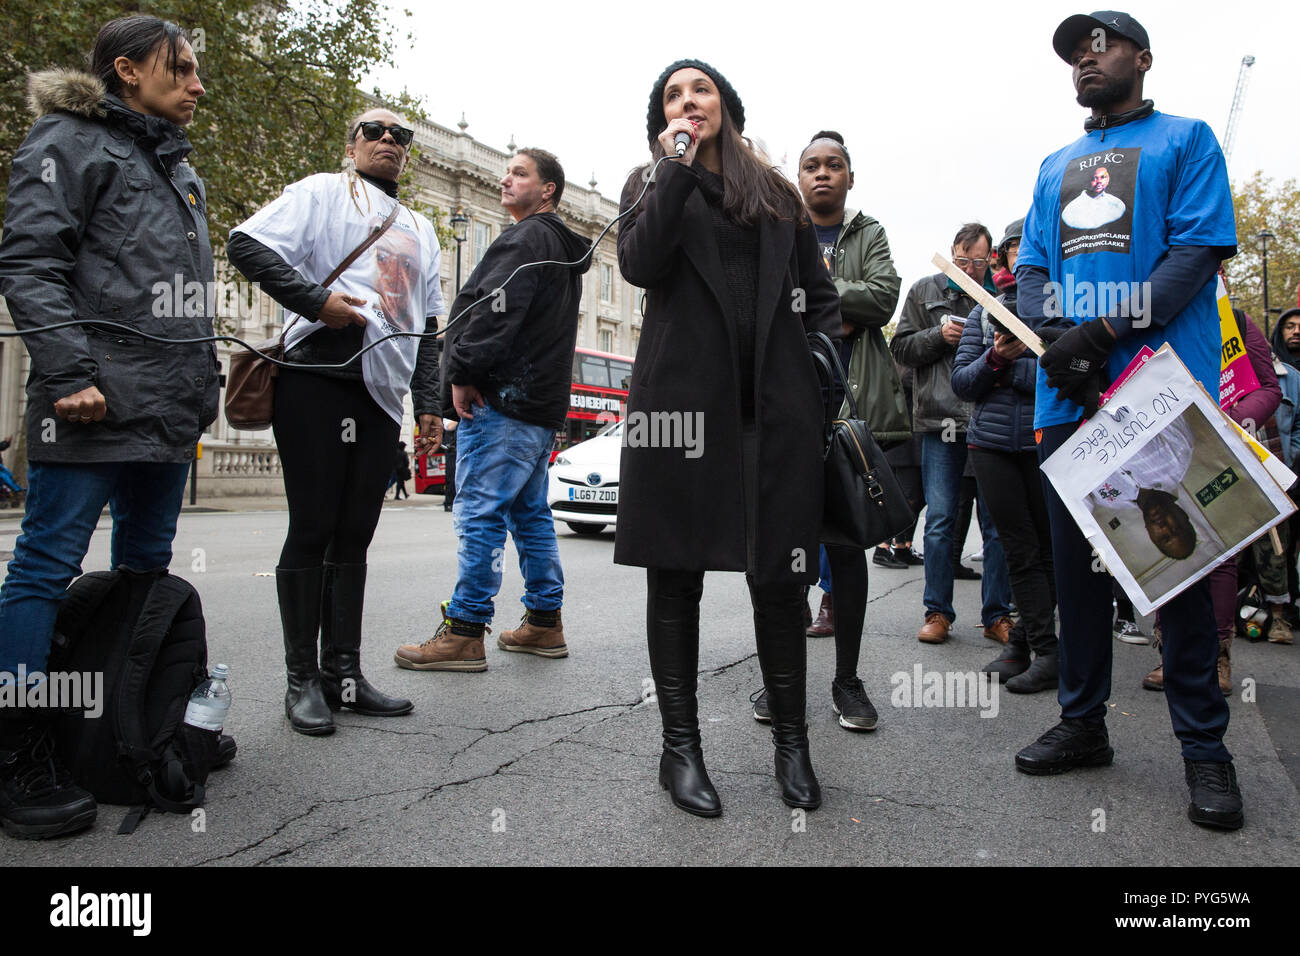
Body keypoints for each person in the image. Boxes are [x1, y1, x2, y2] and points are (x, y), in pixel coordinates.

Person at [1015, 11, 1244, 830]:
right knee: (1076, 573)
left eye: (1102, 43)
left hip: (1153, 390)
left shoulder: (1186, 141)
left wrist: (1102, 332)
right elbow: (1034, 267)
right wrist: (1053, 338)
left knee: (1171, 570)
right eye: (1076, 49)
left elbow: (1193, 256)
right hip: (1066, 398)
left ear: (1142, 59)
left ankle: (1205, 752)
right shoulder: (1054, 165)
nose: (1085, 55)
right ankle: (1083, 724)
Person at [0, 15, 216, 839]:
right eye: (183, 69)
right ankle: (18, 749)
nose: (198, 85)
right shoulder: (67, 140)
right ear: (126, 70)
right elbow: (29, 263)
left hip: (165, 409)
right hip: (88, 401)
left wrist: (202, 386)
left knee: (144, 570)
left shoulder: (178, 167)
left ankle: (127, 725)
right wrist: (69, 373)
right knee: (43, 568)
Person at [614, 60, 842, 816]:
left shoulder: (776, 195)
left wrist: (816, 370)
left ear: (727, 105)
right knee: (674, 576)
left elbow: (823, 299)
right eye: (674, 96)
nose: (688, 102)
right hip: (678, 413)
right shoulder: (650, 185)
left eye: (699, 90)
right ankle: (680, 751)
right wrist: (672, 167)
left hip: (772, 414)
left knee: (780, 581)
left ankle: (793, 747)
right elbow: (641, 265)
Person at [228, 107, 445, 735]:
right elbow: (247, 244)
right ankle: (302, 681)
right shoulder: (321, 192)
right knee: (314, 527)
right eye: (373, 131)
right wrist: (316, 302)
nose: (387, 141)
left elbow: (427, 326)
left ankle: (344, 674)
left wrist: (426, 403)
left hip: (380, 395)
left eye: (399, 136)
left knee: (355, 534)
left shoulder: (422, 228)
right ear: (351, 145)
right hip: (316, 379)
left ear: (409, 153)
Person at [394, 148, 589, 671]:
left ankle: (464, 630)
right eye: (506, 171)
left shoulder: (526, 238)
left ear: (549, 189)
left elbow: (490, 311)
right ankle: (545, 623)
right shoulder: (557, 246)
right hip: (540, 406)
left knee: (478, 512)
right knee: (529, 514)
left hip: (503, 401)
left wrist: (464, 373)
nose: (506, 179)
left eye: (520, 173)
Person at [751, 130, 903, 730]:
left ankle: (847, 681)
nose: (820, 174)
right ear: (798, 175)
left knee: (845, 546)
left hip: (845, 409)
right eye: (810, 165)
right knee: (780, 551)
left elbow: (883, 297)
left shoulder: (868, 234)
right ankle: (779, 683)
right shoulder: (778, 222)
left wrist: (814, 297)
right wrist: (827, 305)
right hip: (782, 410)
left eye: (832, 165)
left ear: (848, 176)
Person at [891, 223, 1015, 645]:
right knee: (941, 520)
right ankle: (937, 612)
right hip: (939, 421)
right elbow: (900, 349)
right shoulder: (925, 289)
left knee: (997, 522)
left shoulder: (1001, 298)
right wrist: (937, 335)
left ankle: (997, 614)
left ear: (989, 260)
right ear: (951, 254)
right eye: (962, 260)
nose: (969, 268)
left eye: (978, 262)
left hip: (988, 420)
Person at [952, 219, 1060, 693]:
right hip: (992, 446)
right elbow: (963, 383)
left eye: (1027, 251)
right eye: (1012, 250)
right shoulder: (984, 312)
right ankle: (1032, 646)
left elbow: (1060, 375)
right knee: (1018, 548)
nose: (1019, 259)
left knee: (1050, 549)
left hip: (1044, 443)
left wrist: (1010, 371)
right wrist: (997, 358)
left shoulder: (1058, 307)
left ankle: (1037, 645)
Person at [1061, 165, 1127, 229]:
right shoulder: (1071, 210)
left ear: (1108, 179)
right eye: (1094, 178)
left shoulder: (1117, 203)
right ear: (1086, 181)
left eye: (1103, 177)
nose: (1099, 181)